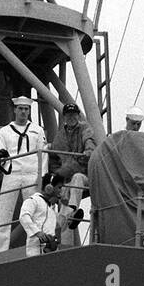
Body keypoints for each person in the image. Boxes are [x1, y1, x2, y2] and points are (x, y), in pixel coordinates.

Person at [0, 96, 48, 254]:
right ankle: (0, 250)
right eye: (21, 108)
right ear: (15, 110)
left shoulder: (37, 130)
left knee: (34, 212)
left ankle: (35, 248)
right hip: (13, 174)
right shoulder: (5, 131)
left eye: (26, 109)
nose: (24, 112)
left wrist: (41, 176)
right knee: (5, 213)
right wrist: (3, 162)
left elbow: (43, 154)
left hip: (31, 174)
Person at [48, 102, 96, 246]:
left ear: (78, 115)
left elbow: (90, 142)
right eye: (69, 115)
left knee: (77, 179)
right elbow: (54, 159)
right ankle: (62, 242)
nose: (71, 117)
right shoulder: (59, 136)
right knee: (65, 208)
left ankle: (73, 210)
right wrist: (57, 177)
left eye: (74, 114)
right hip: (67, 180)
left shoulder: (84, 129)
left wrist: (88, 150)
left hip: (84, 176)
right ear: (64, 117)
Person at [18, 175, 60, 256]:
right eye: (59, 187)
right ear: (49, 188)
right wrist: (37, 232)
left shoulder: (50, 209)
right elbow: (24, 216)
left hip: (50, 249)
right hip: (36, 248)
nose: (60, 191)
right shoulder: (32, 200)